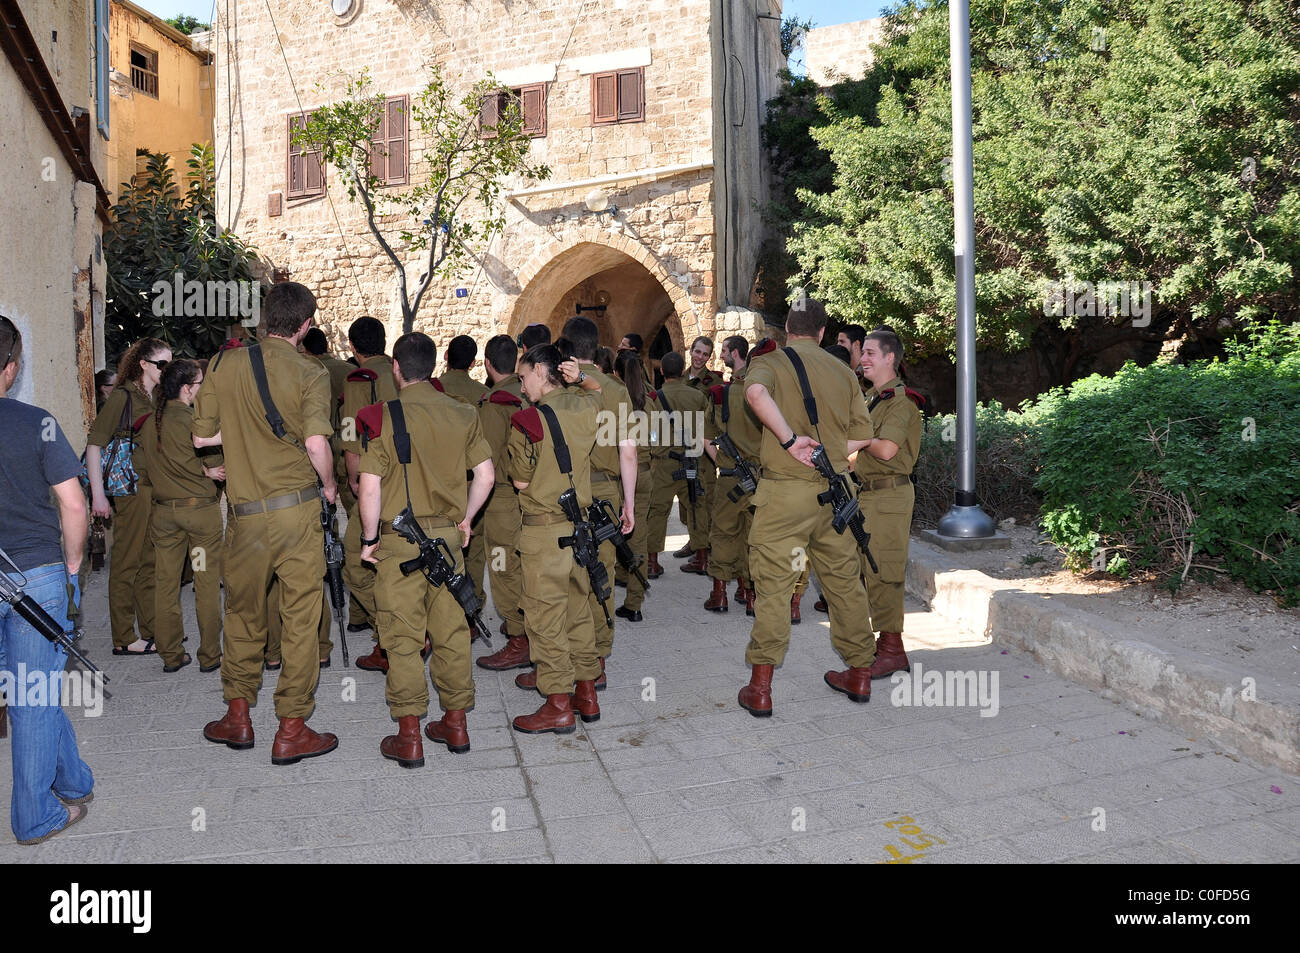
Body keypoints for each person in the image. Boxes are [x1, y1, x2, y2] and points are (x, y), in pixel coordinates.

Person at [193, 281, 340, 764]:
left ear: (263, 319)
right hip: (296, 512)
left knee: (243, 612)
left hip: (245, 515)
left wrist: (238, 435)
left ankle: (237, 718)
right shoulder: (311, 372)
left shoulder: (223, 363)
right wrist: (332, 487)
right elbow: (318, 444)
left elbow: (201, 438)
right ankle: (292, 728)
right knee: (301, 618)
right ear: (305, 325)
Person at [357, 332, 494, 764]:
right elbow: (486, 476)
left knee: (402, 639)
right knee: (453, 633)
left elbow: (369, 487)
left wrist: (368, 539)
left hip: (399, 543)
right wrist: (467, 520)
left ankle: (410, 736)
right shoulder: (463, 412)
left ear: (396, 369)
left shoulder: (381, 416)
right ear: (433, 367)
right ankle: (455, 725)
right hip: (449, 541)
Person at [738, 299, 878, 716]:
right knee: (844, 585)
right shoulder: (842, 371)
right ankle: (859, 673)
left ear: (786, 329)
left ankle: (761, 689)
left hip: (785, 496)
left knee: (774, 588)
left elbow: (755, 391)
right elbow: (863, 435)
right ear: (821, 332)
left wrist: (788, 440)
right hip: (837, 494)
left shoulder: (773, 361)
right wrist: (830, 453)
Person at [0, 314, 95, 843]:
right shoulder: (36, 423)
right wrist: (74, 567)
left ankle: (73, 779)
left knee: (25, 687)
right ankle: (35, 816)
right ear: (11, 367)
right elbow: (74, 506)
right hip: (35, 575)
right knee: (32, 693)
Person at [506, 345, 602, 734]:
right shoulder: (585, 407)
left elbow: (520, 481)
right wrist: (579, 377)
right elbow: (598, 390)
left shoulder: (527, 421)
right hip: (580, 530)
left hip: (544, 532)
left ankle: (558, 704)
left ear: (542, 372)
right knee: (579, 613)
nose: (521, 382)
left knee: (546, 620)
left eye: (524, 374)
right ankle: (587, 694)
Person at [138, 359, 225, 674]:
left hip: (165, 517)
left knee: (166, 584)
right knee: (204, 583)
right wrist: (207, 472)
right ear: (188, 388)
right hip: (199, 517)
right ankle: (210, 655)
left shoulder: (150, 423)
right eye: (200, 383)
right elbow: (217, 462)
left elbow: (143, 470)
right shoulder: (194, 422)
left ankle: (171, 655)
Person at [86, 337, 171, 656]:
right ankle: (123, 636)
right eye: (162, 364)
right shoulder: (123, 396)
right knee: (126, 562)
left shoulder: (157, 396)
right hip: (131, 489)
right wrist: (98, 495)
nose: (167, 369)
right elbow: (95, 443)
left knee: (149, 561)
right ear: (145, 365)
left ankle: (150, 630)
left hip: (153, 487)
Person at [849, 327, 923, 680]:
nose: (863, 359)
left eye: (870, 353)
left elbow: (888, 449)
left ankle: (892, 650)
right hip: (869, 492)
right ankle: (884, 644)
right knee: (869, 569)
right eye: (862, 352)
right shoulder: (872, 400)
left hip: (890, 494)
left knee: (885, 571)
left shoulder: (900, 402)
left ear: (890, 358)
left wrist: (860, 441)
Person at [339, 317, 399, 671]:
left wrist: (354, 481)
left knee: (355, 561)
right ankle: (389, 638)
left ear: (352, 347)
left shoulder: (360, 379)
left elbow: (351, 436)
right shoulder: (399, 370)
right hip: (406, 480)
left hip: (373, 480)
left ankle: (391, 633)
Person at [474, 335, 531, 671]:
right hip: (529, 497)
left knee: (503, 570)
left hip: (502, 501)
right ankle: (525, 630)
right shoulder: (528, 395)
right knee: (521, 567)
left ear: (487, 363)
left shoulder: (495, 403)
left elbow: (487, 463)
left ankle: (518, 641)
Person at [702, 336, 760, 615]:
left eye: (724, 350)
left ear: (735, 354)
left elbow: (705, 438)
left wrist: (723, 463)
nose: (721, 355)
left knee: (724, 533)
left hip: (728, 477)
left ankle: (720, 594)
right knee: (753, 536)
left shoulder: (719, 394)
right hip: (759, 477)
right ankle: (750, 596)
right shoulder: (764, 393)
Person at [438, 335, 491, 608]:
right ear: (473, 363)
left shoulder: (435, 391)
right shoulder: (483, 394)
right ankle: (474, 601)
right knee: (474, 548)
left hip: (442, 479)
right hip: (475, 478)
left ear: (446, 356)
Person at [646, 352, 711, 573]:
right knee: (697, 508)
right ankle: (702, 558)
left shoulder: (655, 398)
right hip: (692, 462)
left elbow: (651, 434)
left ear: (661, 371)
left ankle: (652, 562)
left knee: (657, 511)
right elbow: (706, 429)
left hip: (664, 464)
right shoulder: (698, 397)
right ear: (683, 369)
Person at [612, 349, 660, 621]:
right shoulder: (649, 403)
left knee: (611, 533)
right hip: (645, 473)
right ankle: (634, 600)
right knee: (638, 537)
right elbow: (656, 441)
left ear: (616, 373)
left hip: (621, 475)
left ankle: (622, 597)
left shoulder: (614, 401)